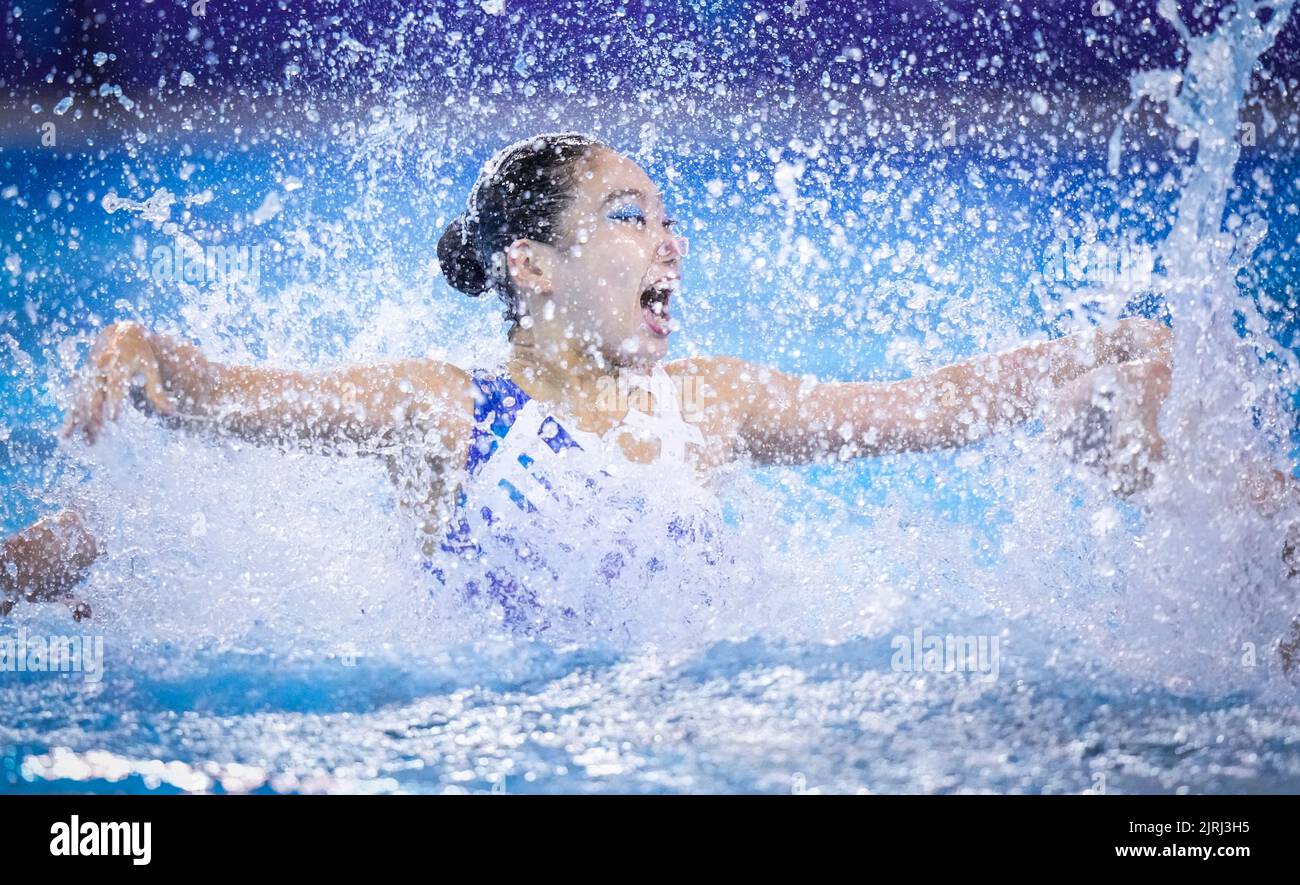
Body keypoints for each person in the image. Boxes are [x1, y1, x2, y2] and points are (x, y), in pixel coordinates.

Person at [0, 131, 1190, 627]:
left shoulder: (713, 403)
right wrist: (145, 352)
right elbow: (222, 401)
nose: (669, 242)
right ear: (533, 266)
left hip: (676, 740)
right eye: (630, 217)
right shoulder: (444, 408)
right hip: (472, 752)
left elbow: (932, 406)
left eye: (670, 220)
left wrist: (1088, 361)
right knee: (90, 550)